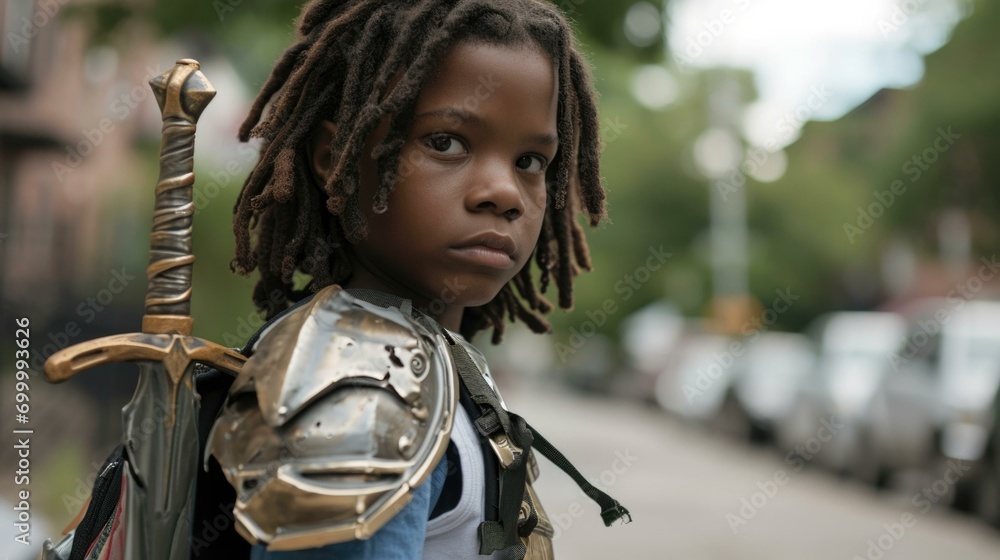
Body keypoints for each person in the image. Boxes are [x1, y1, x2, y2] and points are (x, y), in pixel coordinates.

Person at [206, 1, 630, 558]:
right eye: (446, 142)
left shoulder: (437, 366)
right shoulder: (362, 384)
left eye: (530, 160)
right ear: (336, 159)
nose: (503, 192)